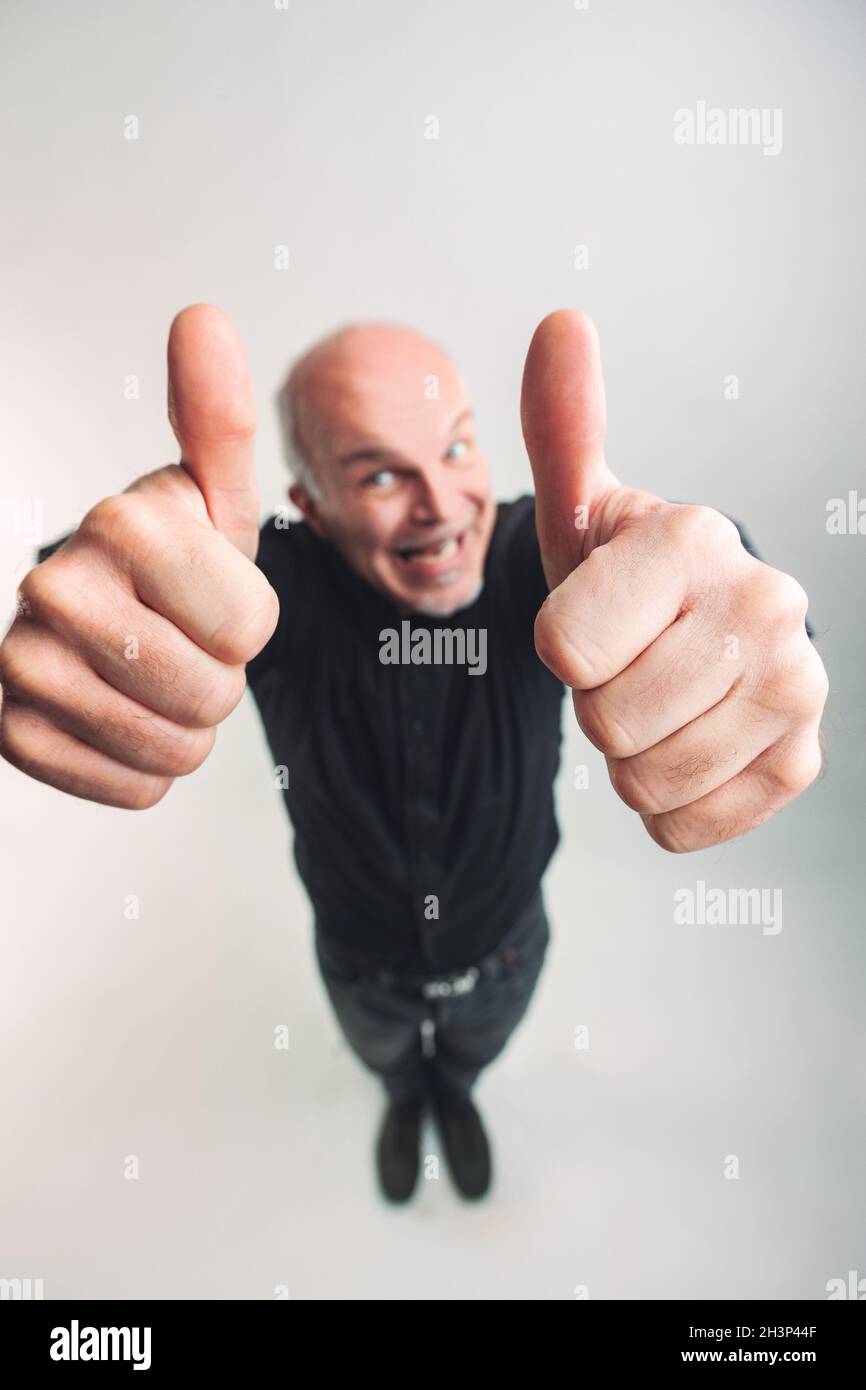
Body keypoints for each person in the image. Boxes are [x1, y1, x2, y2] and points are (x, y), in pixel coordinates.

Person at [0, 305, 828, 1204]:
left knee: (471, 1055)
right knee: (389, 1061)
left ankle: (456, 1094)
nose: (442, 504)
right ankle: (406, 1100)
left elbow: (700, 573)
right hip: (360, 966)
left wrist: (747, 621)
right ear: (309, 507)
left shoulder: (542, 562)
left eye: (459, 449)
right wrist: (84, 610)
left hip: (508, 953)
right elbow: (110, 585)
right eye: (382, 474)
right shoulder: (266, 584)